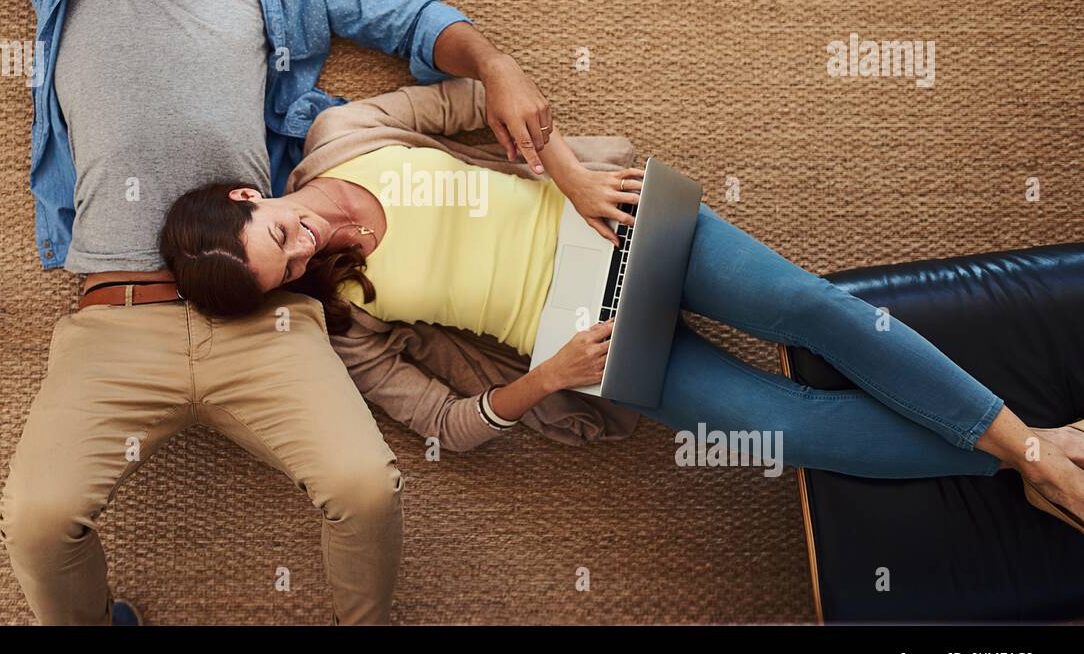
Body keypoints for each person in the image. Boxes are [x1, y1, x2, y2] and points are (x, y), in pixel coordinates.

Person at [0, 0, 553, 625]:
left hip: (265, 310)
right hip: (118, 319)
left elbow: (408, 21)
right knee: (34, 523)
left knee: (367, 490)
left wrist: (497, 64)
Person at [160, 77, 1084, 537]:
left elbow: (487, 98)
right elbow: (444, 422)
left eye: (280, 236)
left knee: (812, 307)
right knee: (782, 429)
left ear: (252, 196)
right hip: (586, 344)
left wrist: (571, 174)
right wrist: (548, 379)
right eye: (287, 275)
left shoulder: (343, 133)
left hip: (614, 222)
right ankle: (1039, 453)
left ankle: (1037, 453)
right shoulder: (346, 322)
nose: (306, 250)